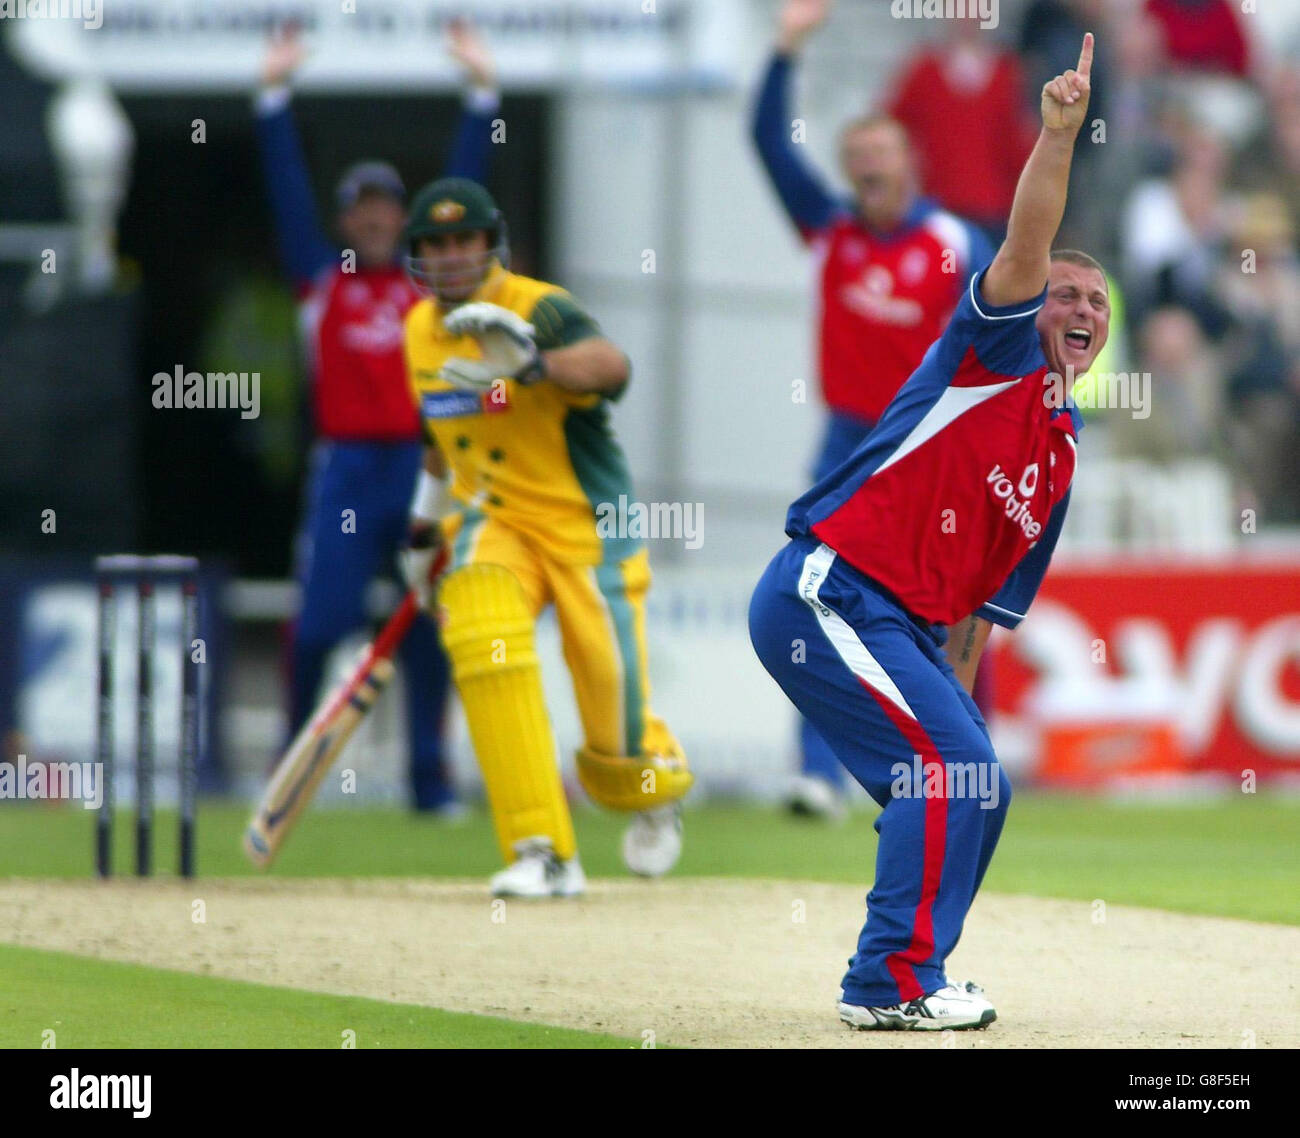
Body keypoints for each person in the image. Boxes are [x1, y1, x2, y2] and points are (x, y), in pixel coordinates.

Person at [749, 35, 1106, 1030]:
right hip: (827, 585)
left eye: (1096, 302)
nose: (1078, 307)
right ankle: (885, 981)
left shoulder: (1060, 450)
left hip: (898, 624)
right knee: (944, 771)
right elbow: (1031, 239)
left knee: (974, 780)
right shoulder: (989, 347)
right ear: (1033, 308)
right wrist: (1057, 136)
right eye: (1065, 294)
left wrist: (956, 697)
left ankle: (919, 968)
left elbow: (985, 610)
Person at [399, 177, 692, 897]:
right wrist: (420, 529)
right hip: (492, 522)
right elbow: (439, 438)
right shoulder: (416, 332)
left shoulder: (537, 307)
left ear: (489, 242)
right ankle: (542, 850)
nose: (450, 256)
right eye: (435, 245)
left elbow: (612, 367)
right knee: (481, 638)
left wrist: (534, 366)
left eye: (463, 239)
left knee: (607, 688)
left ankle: (651, 787)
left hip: (586, 523)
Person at [751, 0, 995, 819]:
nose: (866, 166)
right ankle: (818, 772)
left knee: (955, 598)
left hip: (934, 446)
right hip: (851, 443)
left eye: (880, 152)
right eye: (855, 155)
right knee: (816, 596)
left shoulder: (956, 243)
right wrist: (785, 52)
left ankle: (970, 758)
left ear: (910, 162)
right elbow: (765, 146)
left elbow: (1006, 334)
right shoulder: (829, 231)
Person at [254, 22, 497, 813]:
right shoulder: (321, 280)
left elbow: (465, 188)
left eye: (388, 208)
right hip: (349, 471)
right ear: (344, 220)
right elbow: (286, 189)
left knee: (429, 625)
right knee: (320, 625)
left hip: (426, 469)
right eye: (362, 209)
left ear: (406, 219)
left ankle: (431, 783)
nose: (376, 220)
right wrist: (272, 99)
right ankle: (289, 768)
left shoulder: (433, 287)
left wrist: (482, 96)